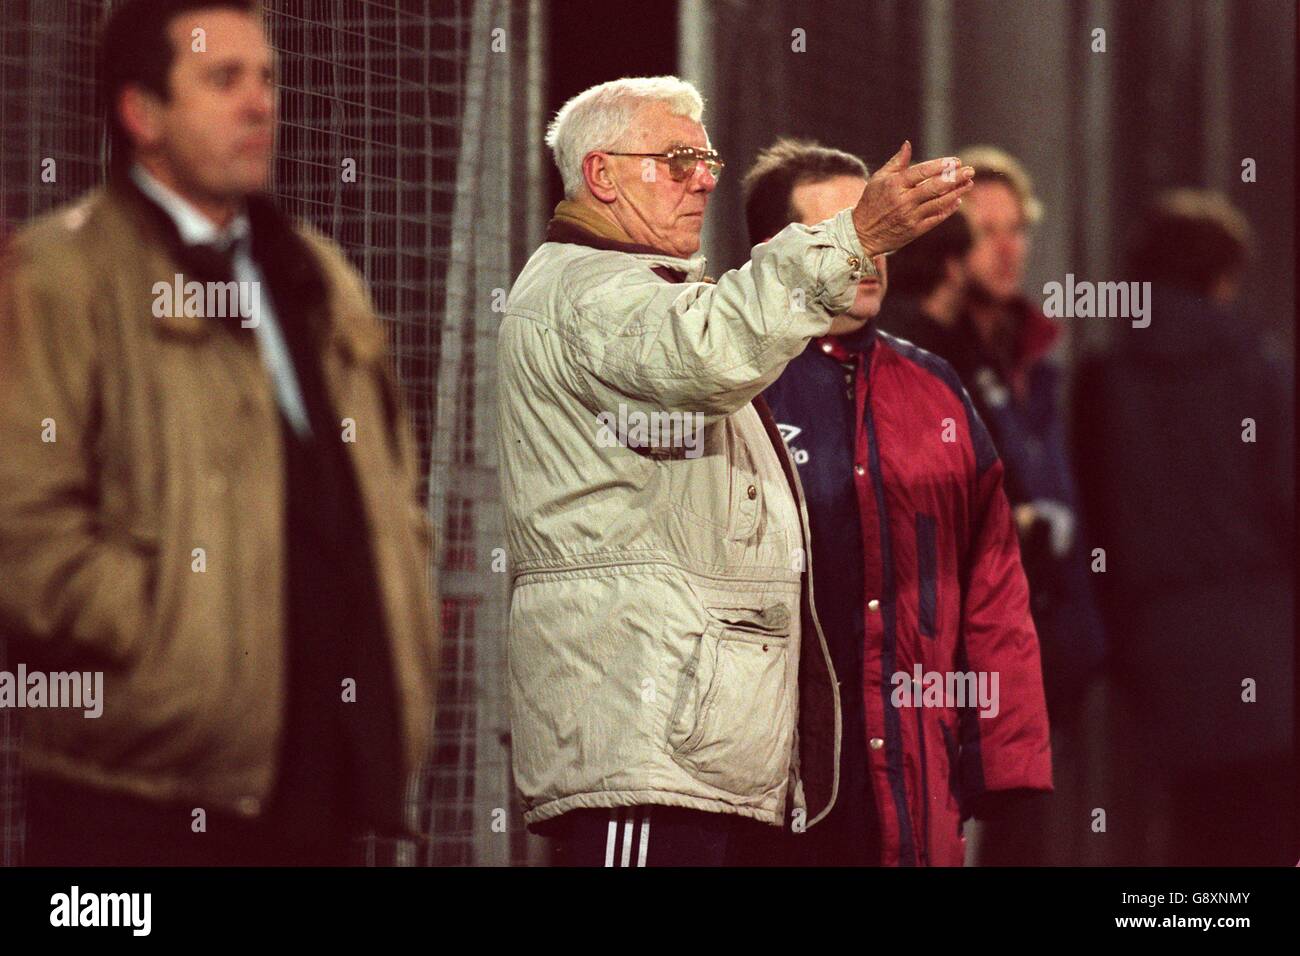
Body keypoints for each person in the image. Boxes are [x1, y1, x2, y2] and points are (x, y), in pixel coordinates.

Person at [0, 0, 439, 865]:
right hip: (138, 803)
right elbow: (23, 526)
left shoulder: (316, 273)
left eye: (266, 78)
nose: (259, 103)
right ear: (142, 112)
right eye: (223, 79)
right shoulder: (61, 275)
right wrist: (167, 631)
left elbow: (390, 485)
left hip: (320, 782)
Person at [497, 76, 974, 866]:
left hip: (678, 737)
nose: (704, 180)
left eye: (707, 160)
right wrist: (853, 235)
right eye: (676, 160)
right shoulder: (585, 289)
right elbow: (709, 350)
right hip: (638, 735)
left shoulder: (636, 285)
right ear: (600, 174)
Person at [746, 139, 1052, 867]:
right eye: (845, 235)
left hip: (913, 780)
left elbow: (993, 583)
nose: (869, 255)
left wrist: (1003, 758)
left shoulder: (935, 388)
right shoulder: (735, 388)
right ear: (778, 254)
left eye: (879, 230)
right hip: (765, 787)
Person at [1074, 190, 1294, 865]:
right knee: (1267, 825)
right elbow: (1286, 501)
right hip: (1262, 636)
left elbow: (1095, 519)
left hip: (1156, 640)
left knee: (1189, 828)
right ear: (1222, 276)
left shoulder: (1103, 378)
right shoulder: (1259, 368)